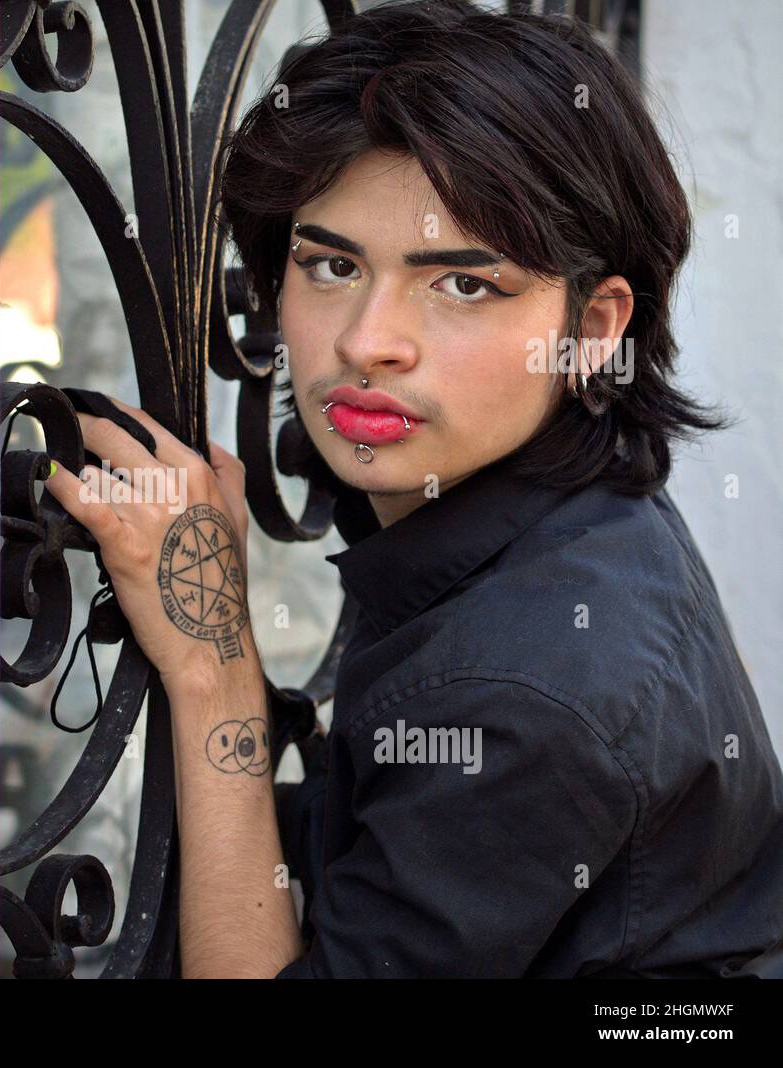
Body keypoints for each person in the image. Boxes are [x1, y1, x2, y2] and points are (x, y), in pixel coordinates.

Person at [43, 0, 783, 977]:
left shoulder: (528, 685)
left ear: (595, 325)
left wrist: (208, 661)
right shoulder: (564, 517)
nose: (365, 341)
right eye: (331, 265)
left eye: (462, 284)